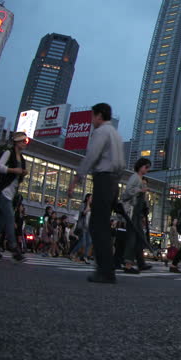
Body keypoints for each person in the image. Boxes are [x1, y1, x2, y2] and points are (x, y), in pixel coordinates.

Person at [67, 102, 126, 284]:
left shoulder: (101, 132)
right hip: (114, 180)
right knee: (103, 225)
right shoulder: (116, 134)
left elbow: (91, 156)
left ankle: (104, 270)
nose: (92, 121)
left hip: (103, 179)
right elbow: (121, 163)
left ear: (99, 115)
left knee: (97, 225)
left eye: (93, 116)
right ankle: (107, 269)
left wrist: (77, 178)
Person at [0, 132, 28, 262]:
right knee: (10, 218)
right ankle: (13, 247)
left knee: (0, 221)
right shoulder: (9, 153)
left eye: (25, 141)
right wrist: (13, 170)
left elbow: (19, 177)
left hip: (11, 194)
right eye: (22, 141)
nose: (24, 143)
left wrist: (23, 173)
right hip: (2, 191)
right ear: (16, 142)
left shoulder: (22, 159)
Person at [121, 158, 152, 274]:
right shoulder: (135, 177)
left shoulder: (139, 179)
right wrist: (141, 190)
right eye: (146, 167)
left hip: (137, 213)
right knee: (133, 237)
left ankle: (140, 262)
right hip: (133, 211)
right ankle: (128, 264)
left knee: (139, 237)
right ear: (140, 166)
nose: (147, 170)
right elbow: (127, 192)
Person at [70, 194, 93, 262]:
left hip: (89, 227)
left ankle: (85, 256)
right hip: (82, 226)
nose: (92, 199)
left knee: (89, 242)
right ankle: (72, 253)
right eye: (91, 198)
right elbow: (84, 213)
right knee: (83, 242)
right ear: (87, 198)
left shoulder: (92, 206)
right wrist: (88, 204)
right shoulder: (83, 205)